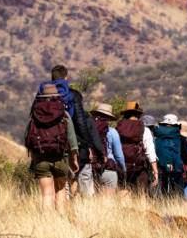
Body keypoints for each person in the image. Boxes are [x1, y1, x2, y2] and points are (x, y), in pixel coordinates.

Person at [38, 65, 106, 198]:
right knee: (68, 182)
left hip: (44, 146)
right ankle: (73, 209)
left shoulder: (42, 96)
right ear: (66, 77)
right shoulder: (72, 95)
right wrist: (87, 145)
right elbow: (80, 122)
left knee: (51, 188)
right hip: (67, 144)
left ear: (52, 78)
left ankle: (53, 214)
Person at [25, 85, 79, 211]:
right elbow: (72, 139)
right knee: (60, 191)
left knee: (47, 194)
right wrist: (74, 159)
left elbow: (28, 139)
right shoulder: (64, 114)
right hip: (60, 158)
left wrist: (34, 158)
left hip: (41, 159)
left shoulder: (35, 115)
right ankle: (60, 221)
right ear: (57, 97)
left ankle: (47, 222)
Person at [79, 103, 126, 197]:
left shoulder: (87, 129)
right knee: (107, 204)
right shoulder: (112, 131)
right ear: (109, 118)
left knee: (91, 201)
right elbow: (119, 155)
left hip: (90, 168)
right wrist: (123, 169)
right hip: (108, 168)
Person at [114, 102, 159, 195]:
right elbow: (150, 152)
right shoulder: (144, 129)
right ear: (138, 114)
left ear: (125, 114)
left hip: (120, 167)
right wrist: (155, 171)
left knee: (122, 192)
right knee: (141, 195)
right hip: (139, 167)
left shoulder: (117, 128)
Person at [150, 114, 187, 197]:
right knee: (178, 196)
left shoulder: (156, 137)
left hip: (161, 169)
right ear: (176, 124)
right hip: (176, 170)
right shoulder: (179, 137)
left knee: (162, 194)